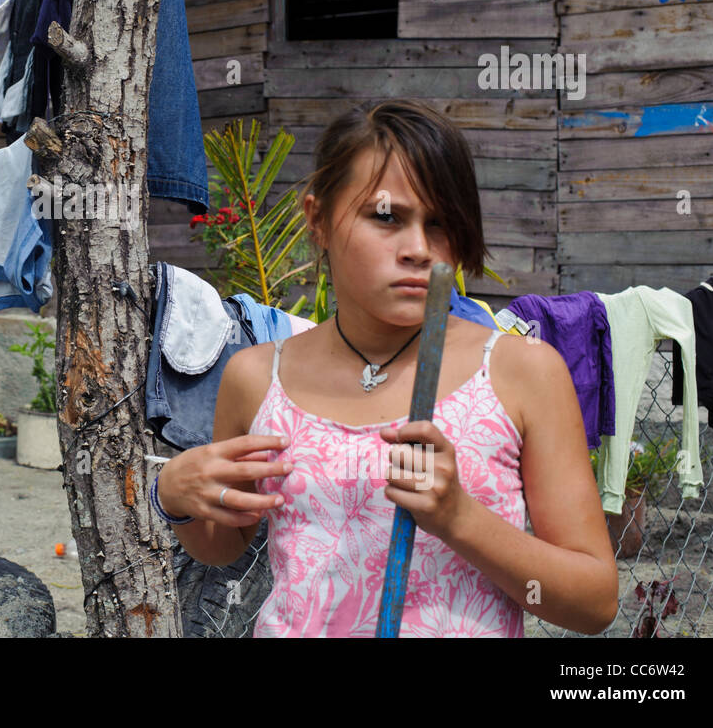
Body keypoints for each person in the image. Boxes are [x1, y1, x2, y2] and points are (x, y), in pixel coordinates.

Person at [155, 99, 619, 637]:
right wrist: (179, 499)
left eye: (441, 224)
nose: (419, 249)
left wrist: (460, 519)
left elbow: (593, 601)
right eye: (386, 217)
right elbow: (224, 544)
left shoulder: (522, 373)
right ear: (319, 220)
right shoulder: (257, 377)